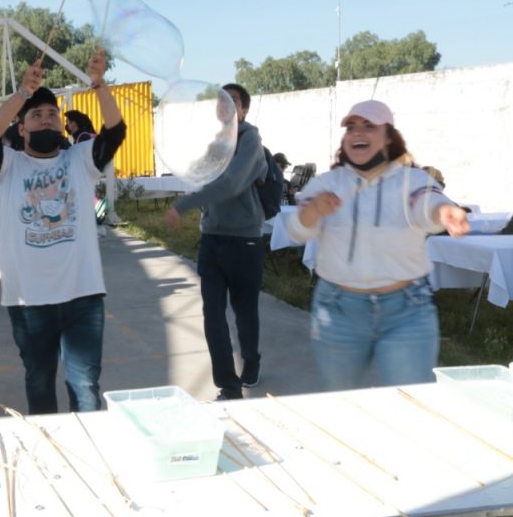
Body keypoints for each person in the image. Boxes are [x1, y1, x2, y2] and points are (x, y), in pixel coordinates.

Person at [0, 50, 125, 414]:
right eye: (36, 115)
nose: (46, 120)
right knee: (39, 384)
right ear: (21, 127)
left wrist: (100, 85)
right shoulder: (6, 167)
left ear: (61, 124)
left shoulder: (81, 159)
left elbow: (116, 130)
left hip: (83, 296)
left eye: (52, 114)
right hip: (28, 303)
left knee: (86, 387)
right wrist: (22, 94)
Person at [285, 100, 469, 392]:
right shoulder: (327, 183)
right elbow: (296, 231)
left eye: (369, 126)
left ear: (388, 137)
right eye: (351, 127)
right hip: (337, 310)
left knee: (413, 402)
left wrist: (444, 212)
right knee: (339, 402)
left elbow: (426, 202)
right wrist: (314, 210)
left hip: (408, 310)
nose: (358, 132)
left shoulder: (412, 179)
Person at [165, 83, 267, 401]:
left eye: (233, 100)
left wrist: (182, 205)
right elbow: (198, 173)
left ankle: (251, 361)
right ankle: (228, 385)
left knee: (245, 312)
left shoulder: (250, 141)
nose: (225, 105)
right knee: (212, 313)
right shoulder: (217, 144)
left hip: (245, 242)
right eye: (221, 100)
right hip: (212, 239)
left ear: (244, 109)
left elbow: (231, 183)